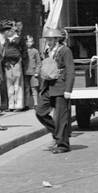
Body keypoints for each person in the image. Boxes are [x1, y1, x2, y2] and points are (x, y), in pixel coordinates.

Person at [35, 25, 75, 153]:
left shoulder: (65, 50)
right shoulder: (48, 51)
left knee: (60, 118)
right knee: (40, 111)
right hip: (48, 86)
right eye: (47, 39)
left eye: (51, 39)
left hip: (60, 87)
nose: (49, 41)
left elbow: (70, 70)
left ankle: (63, 145)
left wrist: (68, 89)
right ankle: (58, 133)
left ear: (58, 39)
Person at [3, 20, 25, 110]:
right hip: (7, 63)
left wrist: (20, 59)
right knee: (9, 84)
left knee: (18, 84)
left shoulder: (19, 38)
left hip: (16, 63)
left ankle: (19, 105)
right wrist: (4, 61)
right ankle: (11, 105)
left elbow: (24, 51)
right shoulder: (5, 39)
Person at [23, 34, 41, 108]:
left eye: (30, 42)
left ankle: (36, 103)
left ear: (33, 42)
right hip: (25, 72)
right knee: (26, 89)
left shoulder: (35, 51)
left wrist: (37, 72)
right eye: (27, 42)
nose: (28, 43)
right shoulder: (23, 51)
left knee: (34, 88)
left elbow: (39, 62)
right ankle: (26, 104)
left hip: (33, 72)